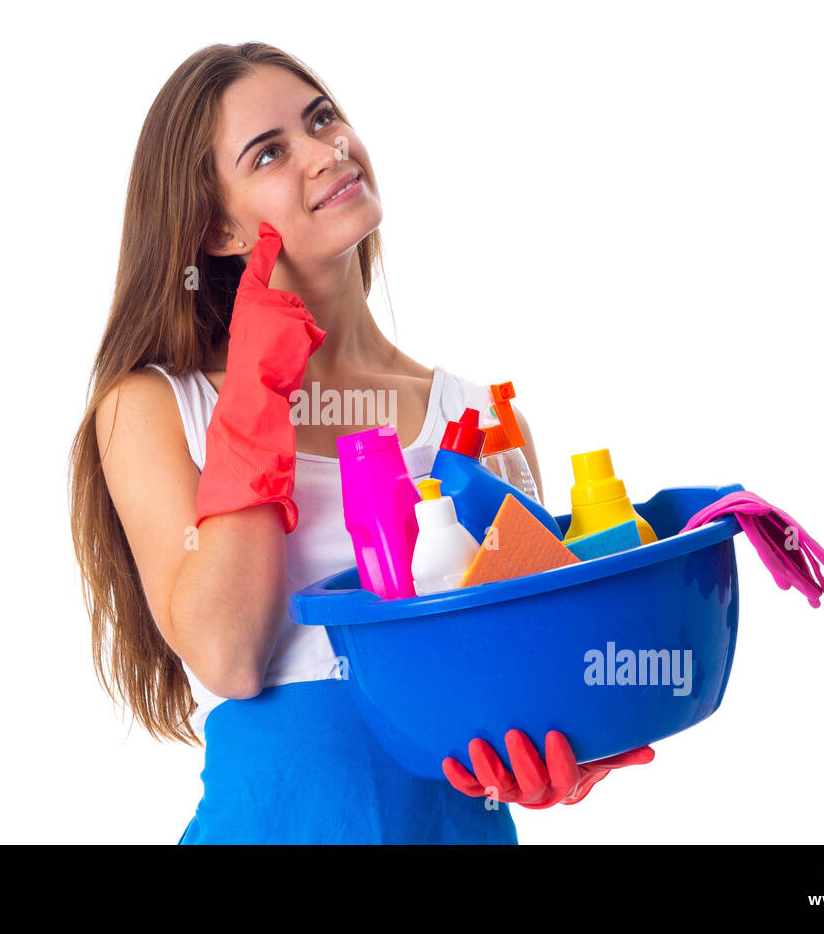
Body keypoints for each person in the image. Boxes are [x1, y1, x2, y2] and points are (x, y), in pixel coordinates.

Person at [69, 42, 652, 844]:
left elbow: (517, 674)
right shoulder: (158, 409)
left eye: (323, 119)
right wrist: (257, 384)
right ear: (215, 227)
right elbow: (229, 655)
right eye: (271, 152)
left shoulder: (476, 419)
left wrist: (563, 748)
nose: (325, 152)